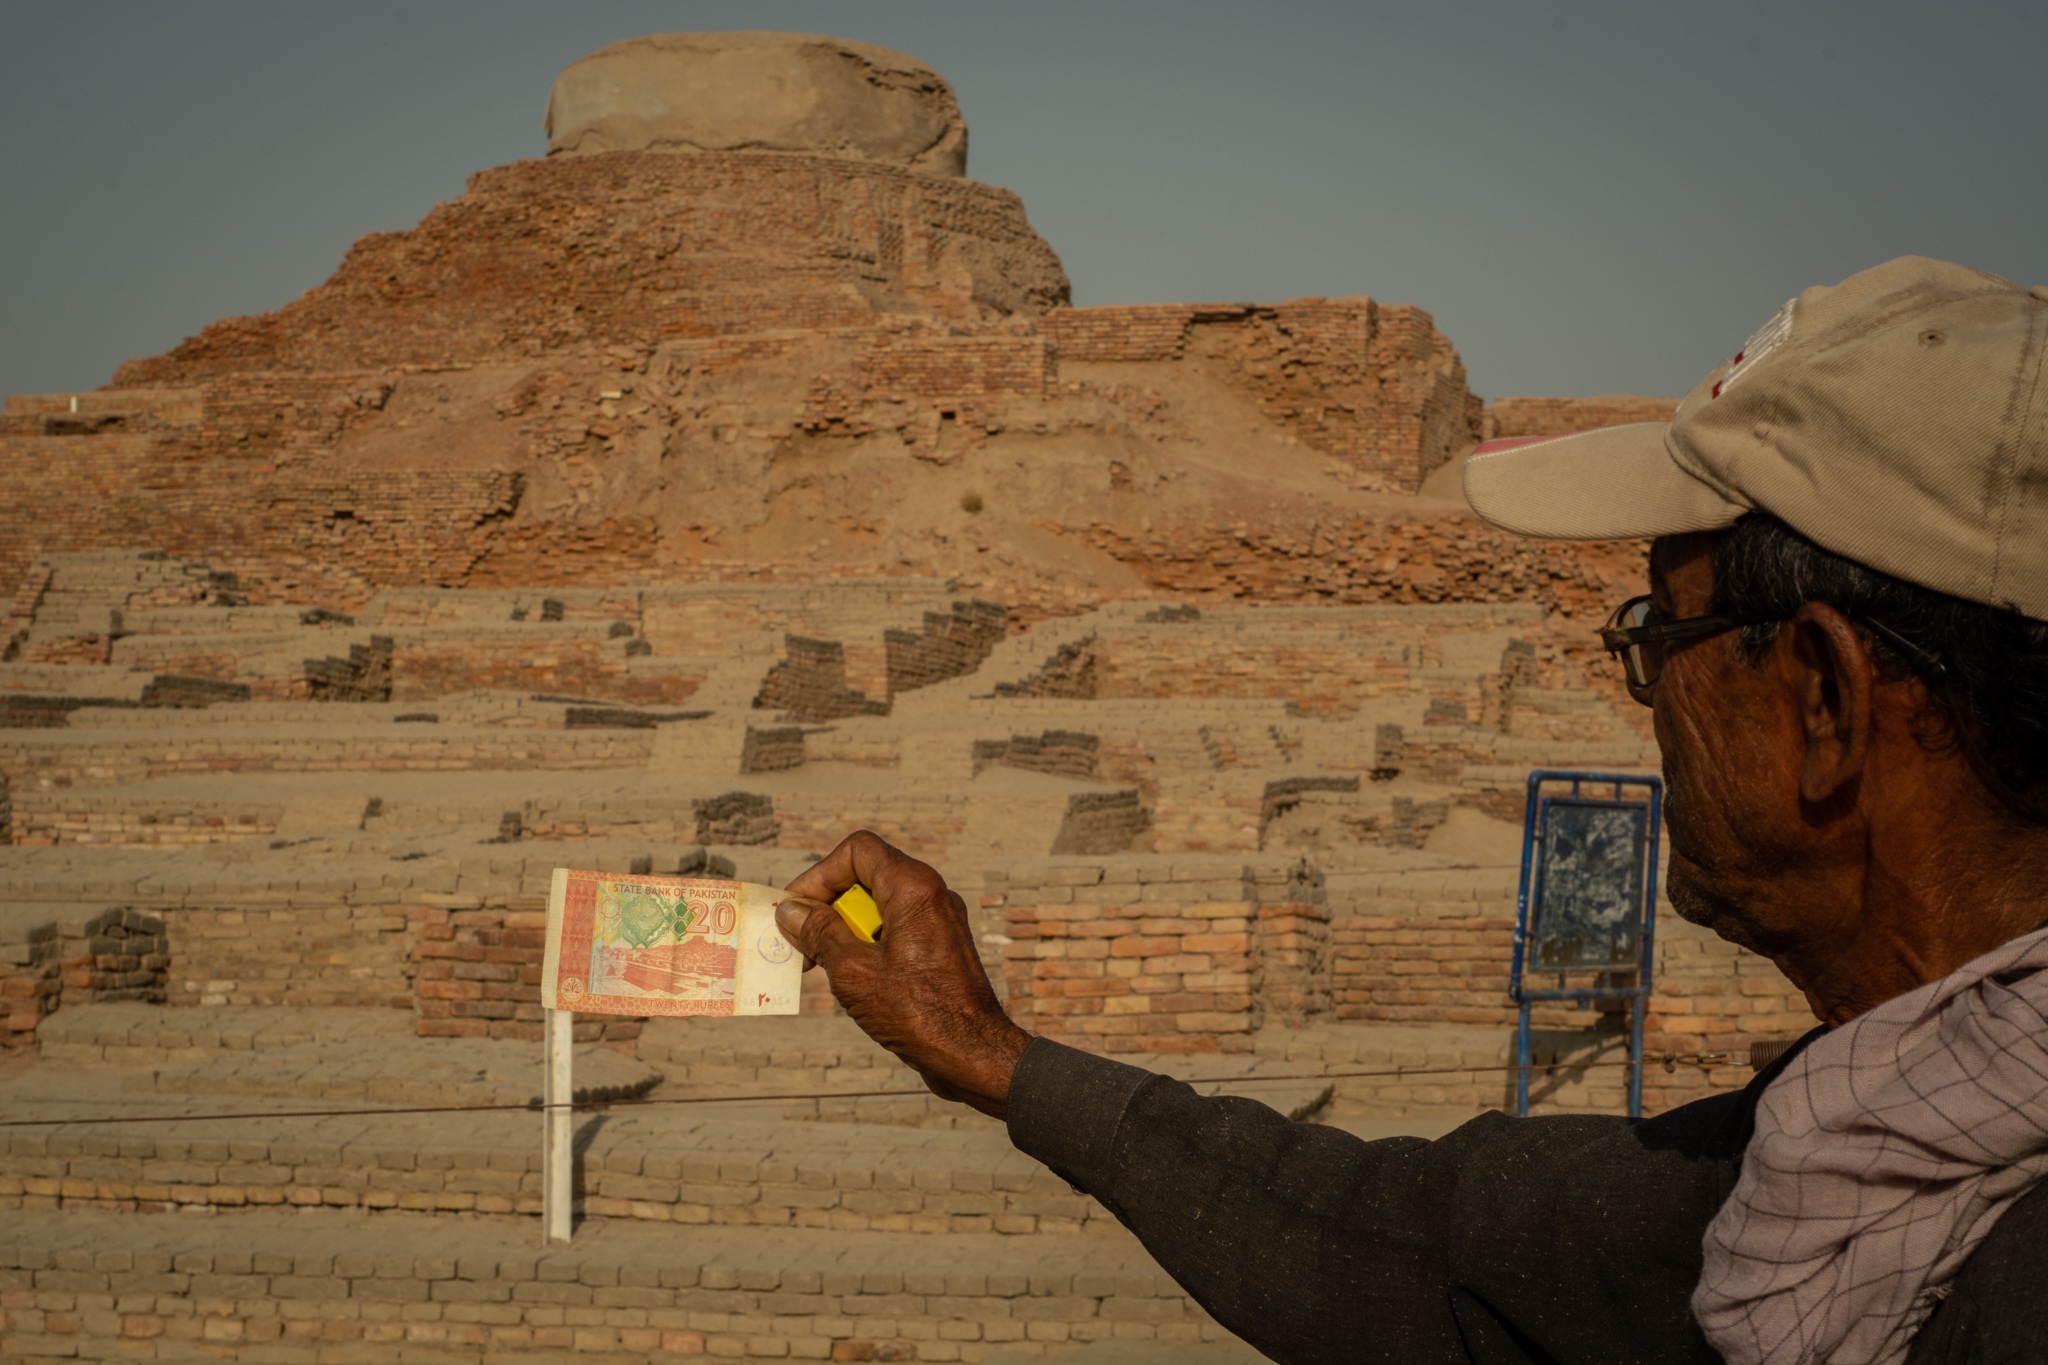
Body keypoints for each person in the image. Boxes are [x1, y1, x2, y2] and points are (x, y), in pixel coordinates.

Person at [774, 257, 2048, 1365]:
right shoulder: (1876, 1146)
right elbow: (1421, 1244)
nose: (1645, 693)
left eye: (1659, 633)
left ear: (1821, 699)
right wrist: (983, 1049)